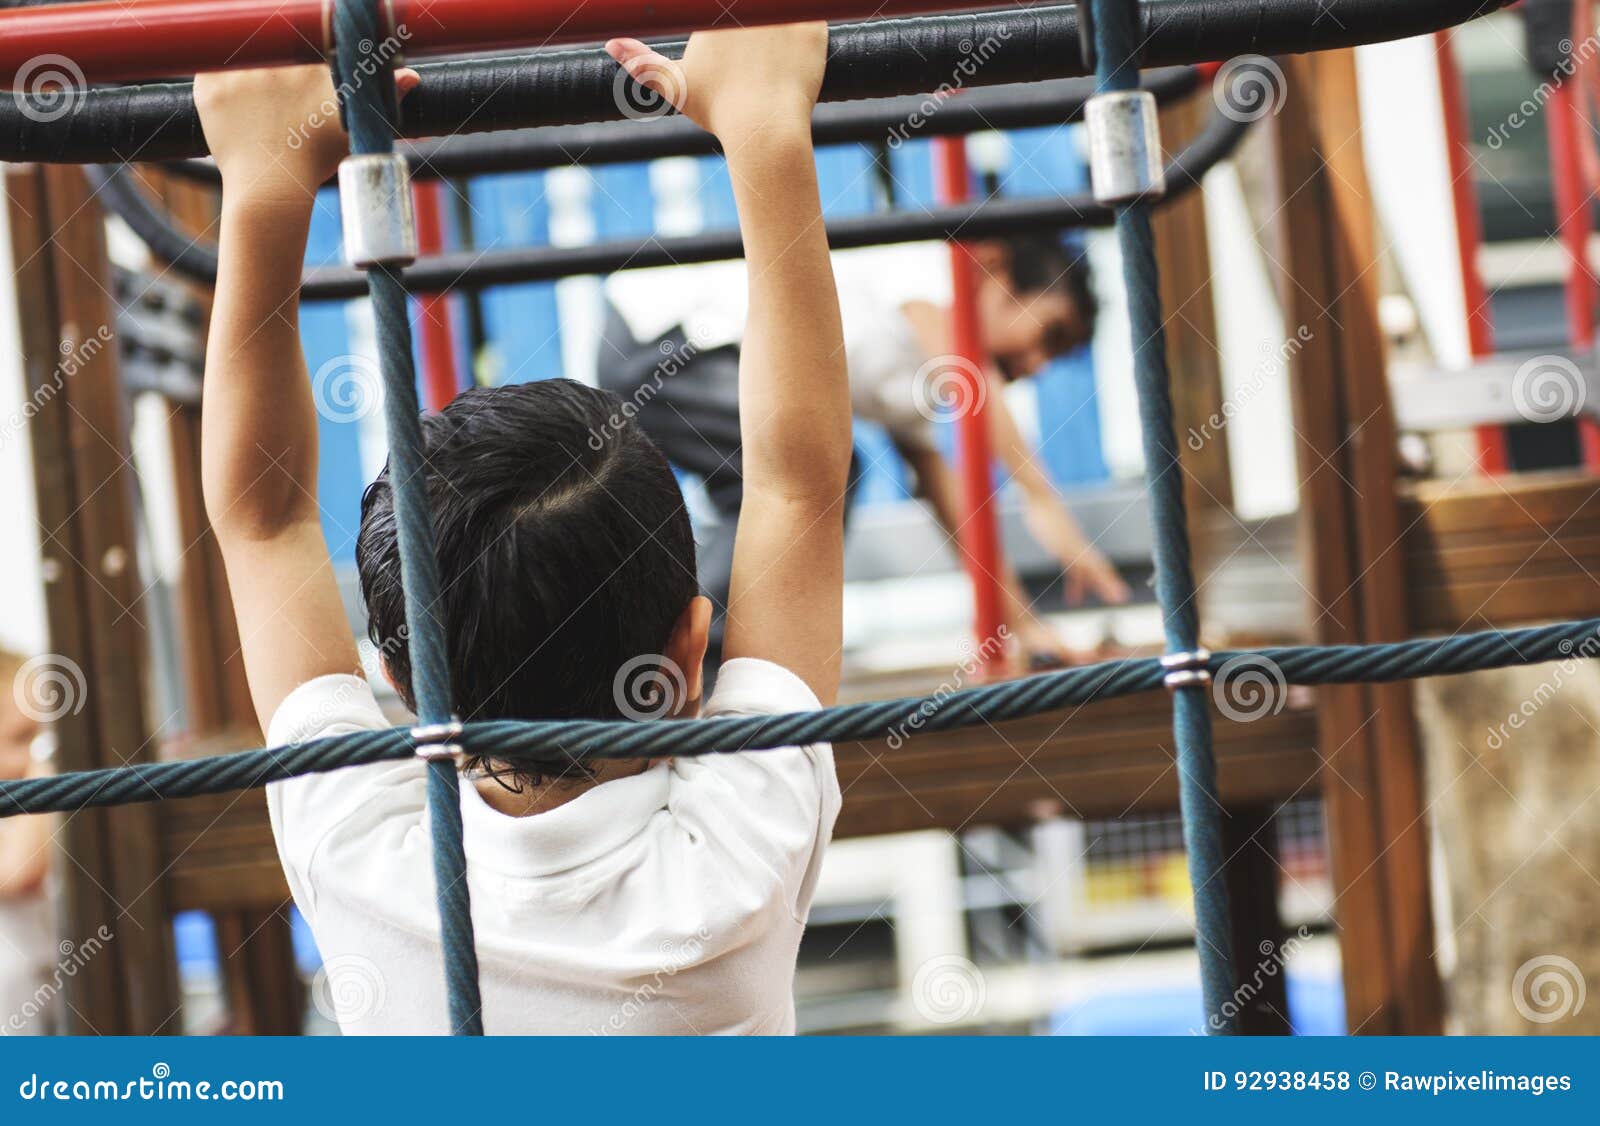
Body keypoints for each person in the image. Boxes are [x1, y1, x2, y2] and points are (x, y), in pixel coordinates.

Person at [196, 22, 850, 1034]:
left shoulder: (363, 854)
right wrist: (766, 130)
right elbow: (794, 488)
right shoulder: (732, 866)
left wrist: (262, 184)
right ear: (688, 653)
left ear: (405, 681)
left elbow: (264, 519)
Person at [601, 228, 1130, 668]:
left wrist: (1024, 625)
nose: (1037, 365)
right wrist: (1041, 499)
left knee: (781, 488)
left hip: (682, 354)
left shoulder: (921, 376)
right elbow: (972, 380)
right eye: (1049, 335)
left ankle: (675, 650)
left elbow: (955, 508)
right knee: (814, 470)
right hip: (666, 337)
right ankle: (699, 659)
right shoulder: (929, 267)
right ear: (993, 267)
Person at [0, 649, 56, 1035]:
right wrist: (45, 769)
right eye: (22, 738)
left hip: (45, 981)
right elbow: (20, 872)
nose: (35, 753)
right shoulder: (35, 788)